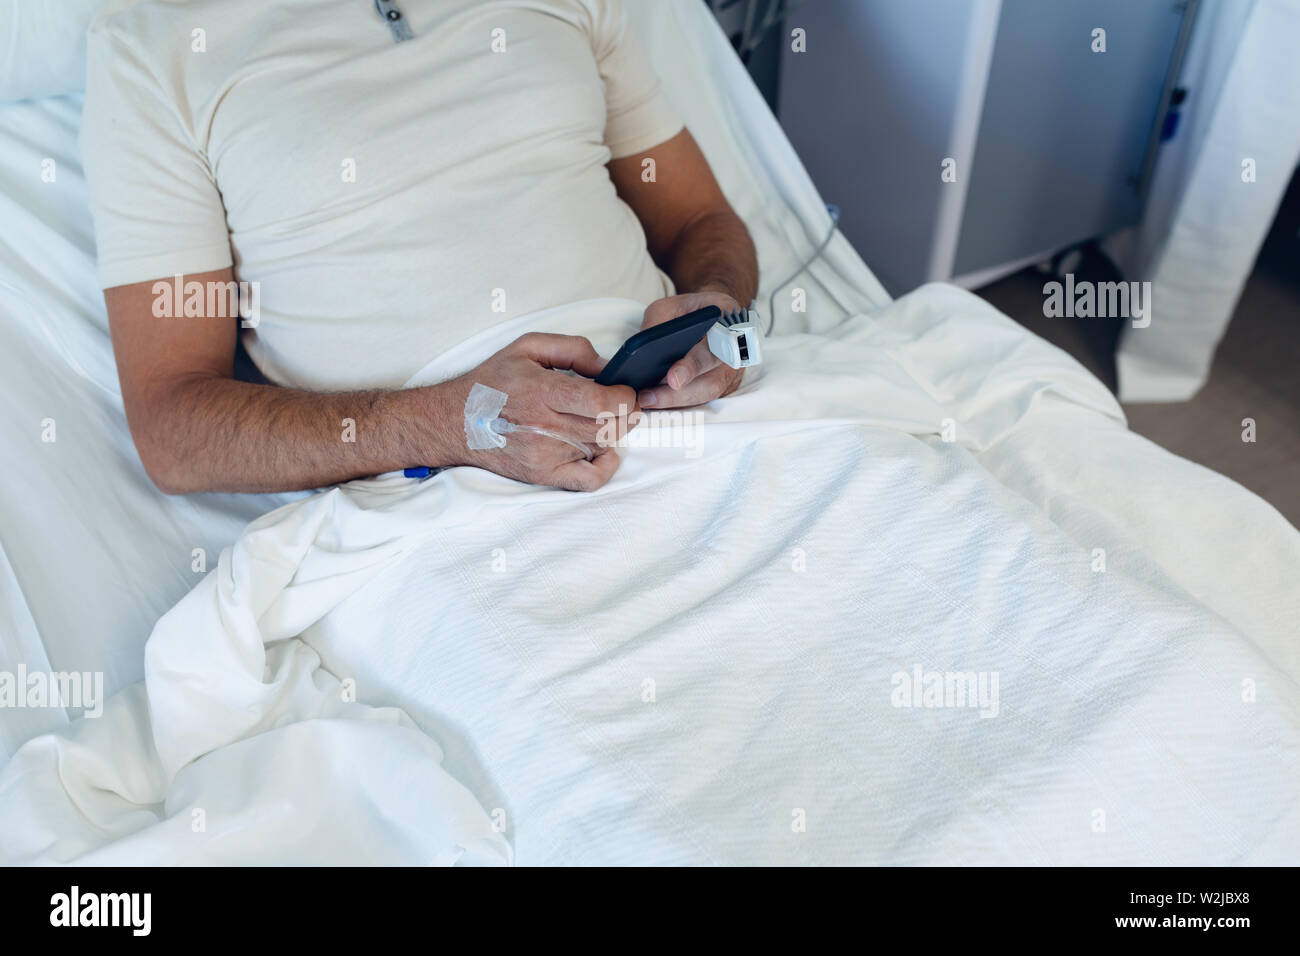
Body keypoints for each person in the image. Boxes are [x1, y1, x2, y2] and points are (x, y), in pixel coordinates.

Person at [84, 0, 758, 493]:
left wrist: (718, 316)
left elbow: (700, 219)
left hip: (703, 424)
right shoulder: (154, 46)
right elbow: (173, 425)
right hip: (447, 498)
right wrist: (452, 424)